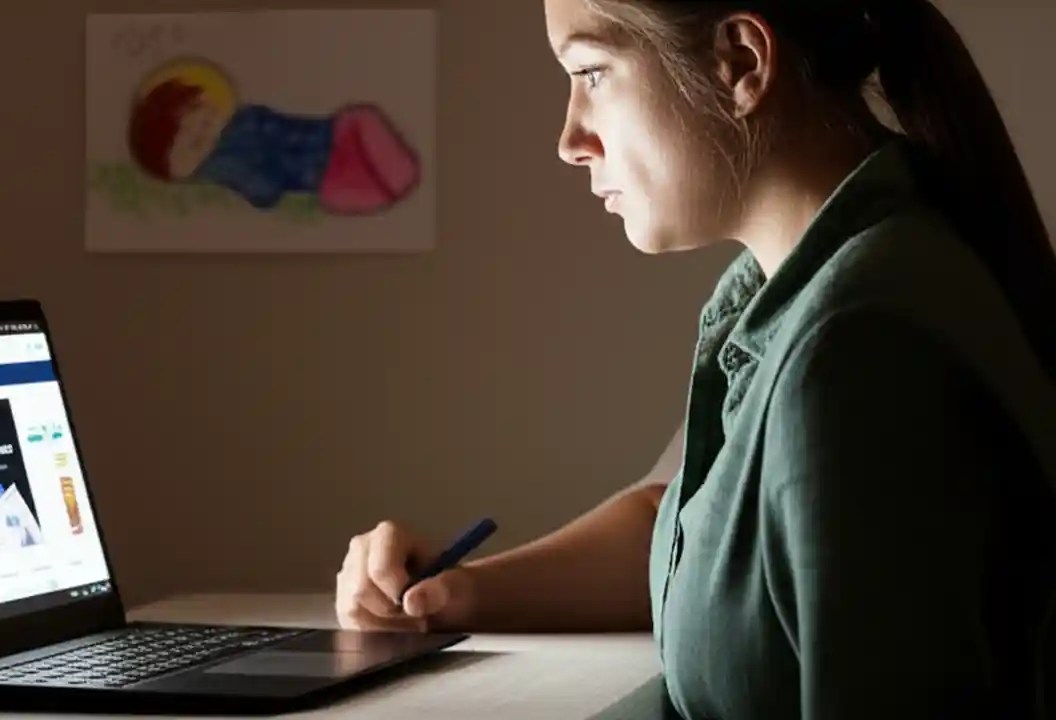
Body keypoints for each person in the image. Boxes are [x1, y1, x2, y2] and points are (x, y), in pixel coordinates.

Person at [335, 0, 1056, 718]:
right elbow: (691, 535)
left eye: (591, 72)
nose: (569, 139)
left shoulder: (859, 348)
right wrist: (452, 594)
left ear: (741, 62)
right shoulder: (805, 292)